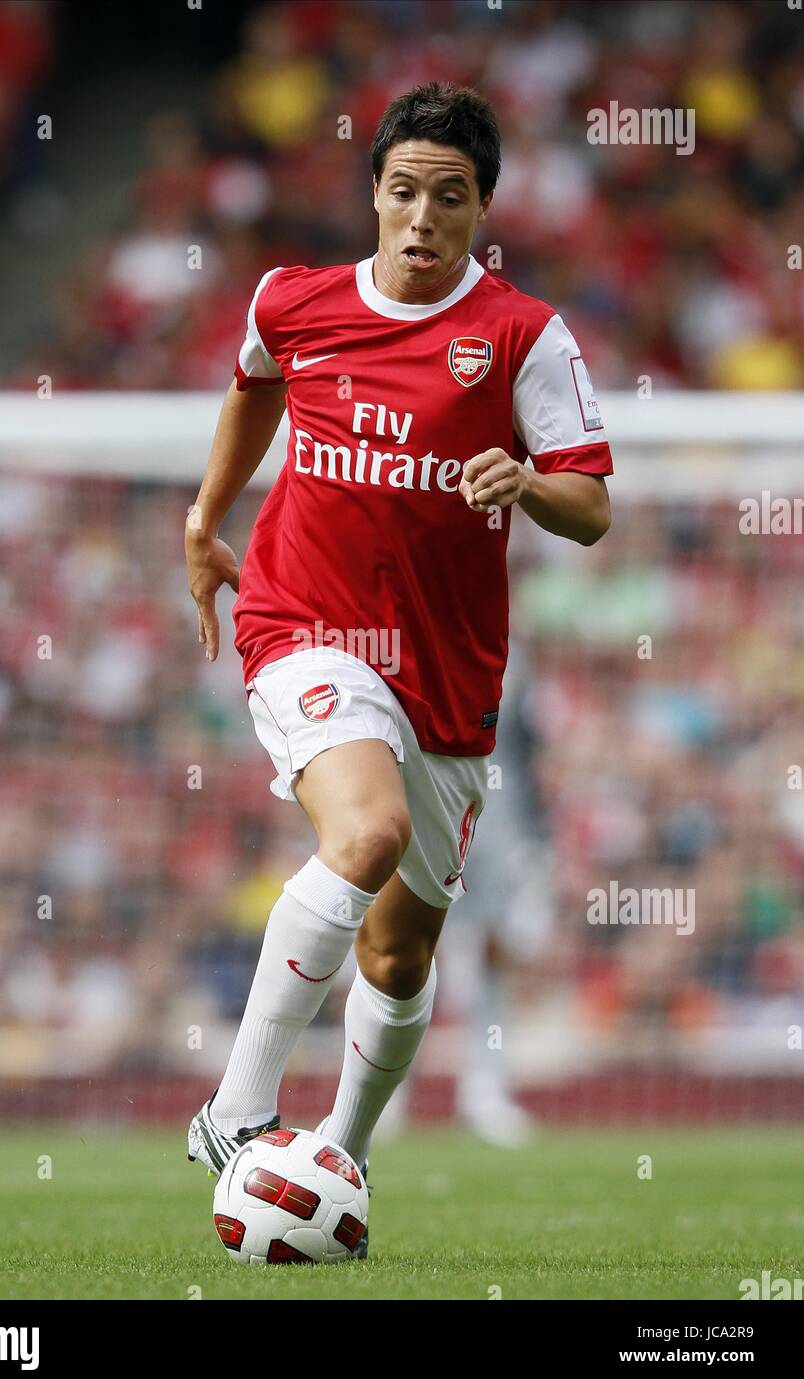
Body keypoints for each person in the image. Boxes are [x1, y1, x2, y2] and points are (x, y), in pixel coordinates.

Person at [184, 82, 612, 1257]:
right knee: (361, 834)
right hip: (302, 619)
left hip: (450, 678)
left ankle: (341, 1151)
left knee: (400, 946)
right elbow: (253, 382)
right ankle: (233, 1110)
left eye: (451, 198)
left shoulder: (524, 336)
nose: (423, 218)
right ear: (374, 192)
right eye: (404, 191)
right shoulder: (297, 300)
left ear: (482, 211)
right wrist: (206, 516)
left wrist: (525, 482)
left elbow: (592, 505)